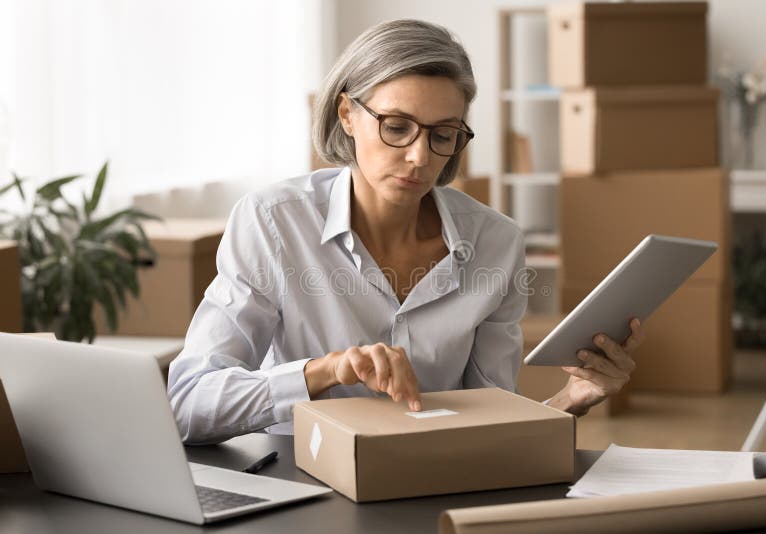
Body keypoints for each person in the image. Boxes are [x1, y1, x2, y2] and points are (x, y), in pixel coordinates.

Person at [167, 19, 644, 445]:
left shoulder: (496, 243)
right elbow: (189, 405)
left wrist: (572, 398)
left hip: (431, 481)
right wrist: (326, 371)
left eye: (442, 135)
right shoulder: (272, 222)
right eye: (397, 127)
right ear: (347, 114)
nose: (420, 157)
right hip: (306, 480)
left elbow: (493, 427)